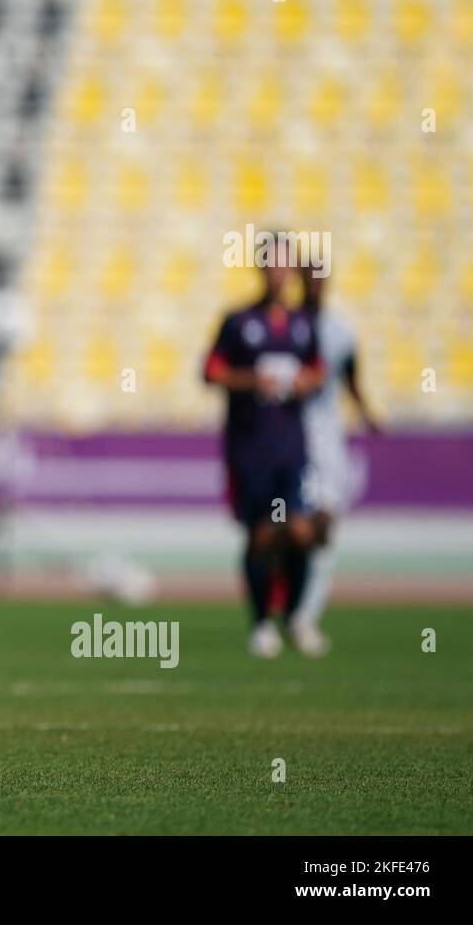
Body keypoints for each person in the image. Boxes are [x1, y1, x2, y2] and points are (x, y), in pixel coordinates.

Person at [203, 246, 323, 658]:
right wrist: (252, 380)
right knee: (262, 533)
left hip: (291, 447)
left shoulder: (303, 324)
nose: (278, 271)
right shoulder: (239, 322)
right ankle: (260, 623)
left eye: (285, 263)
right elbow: (211, 371)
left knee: (301, 530)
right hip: (251, 448)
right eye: (271, 262)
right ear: (260, 267)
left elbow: (318, 369)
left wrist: (307, 381)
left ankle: (294, 614)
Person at [293, 265, 380, 654]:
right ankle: (279, 607)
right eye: (307, 276)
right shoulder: (287, 326)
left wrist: (368, 413)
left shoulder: (340, 331)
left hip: (327, 442)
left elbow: (351, 377)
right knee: (289, 526)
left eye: (319, 276)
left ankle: (305, 616)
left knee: (325, 526)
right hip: (289, 439)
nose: (314, 283)